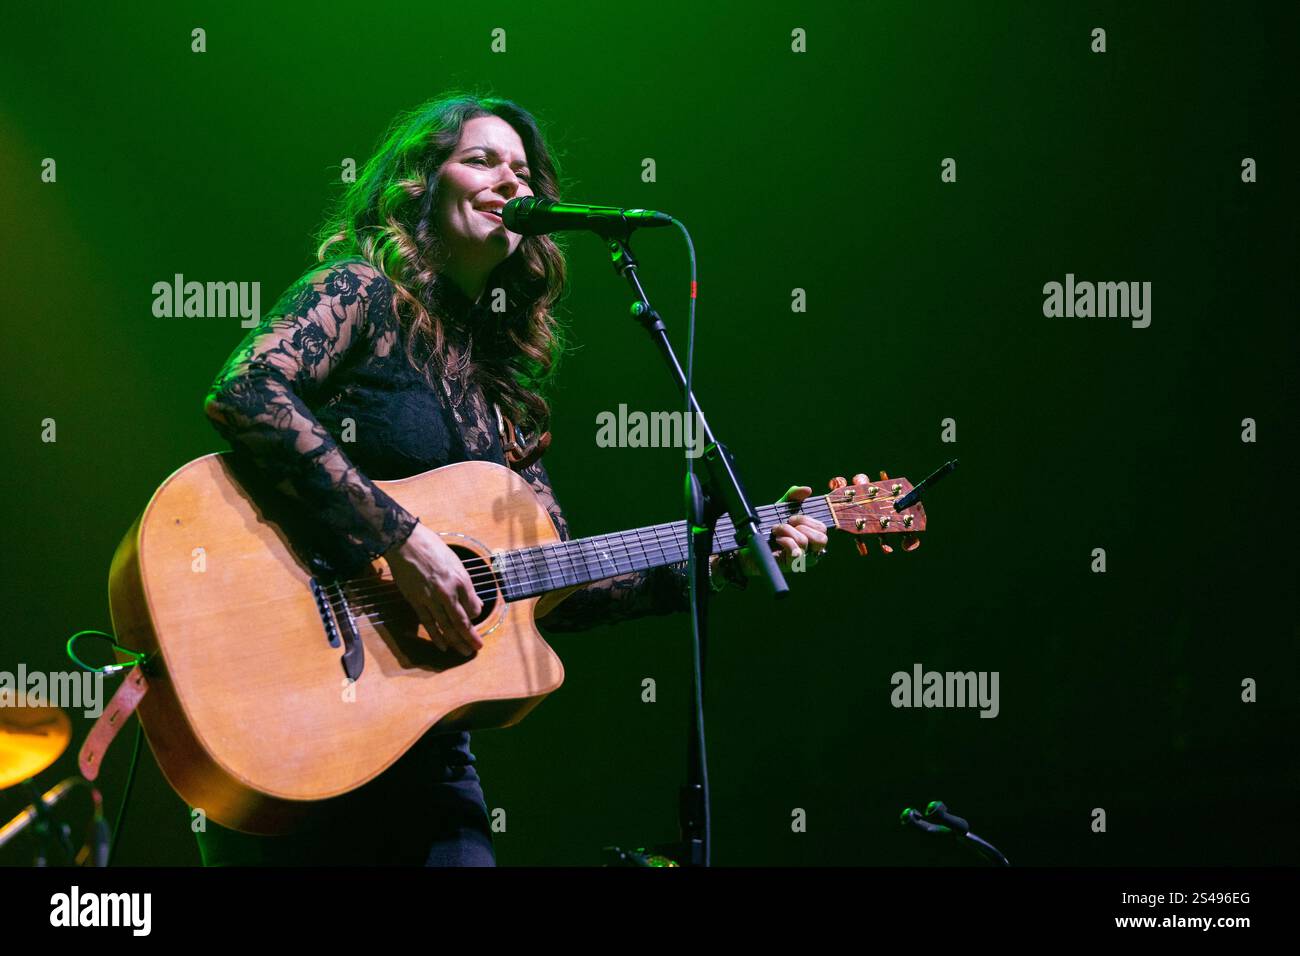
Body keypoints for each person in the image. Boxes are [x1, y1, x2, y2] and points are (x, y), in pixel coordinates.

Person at [197, 92, 829, 866]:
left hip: (429, 750)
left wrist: (721, 559)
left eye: (523, 171)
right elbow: (246, 390)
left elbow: (554, 591)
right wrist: (403, 540)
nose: (509, 182)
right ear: (417, 183)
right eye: (481, 159)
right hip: (293, 704)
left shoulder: (502, 391)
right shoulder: (359, 294)